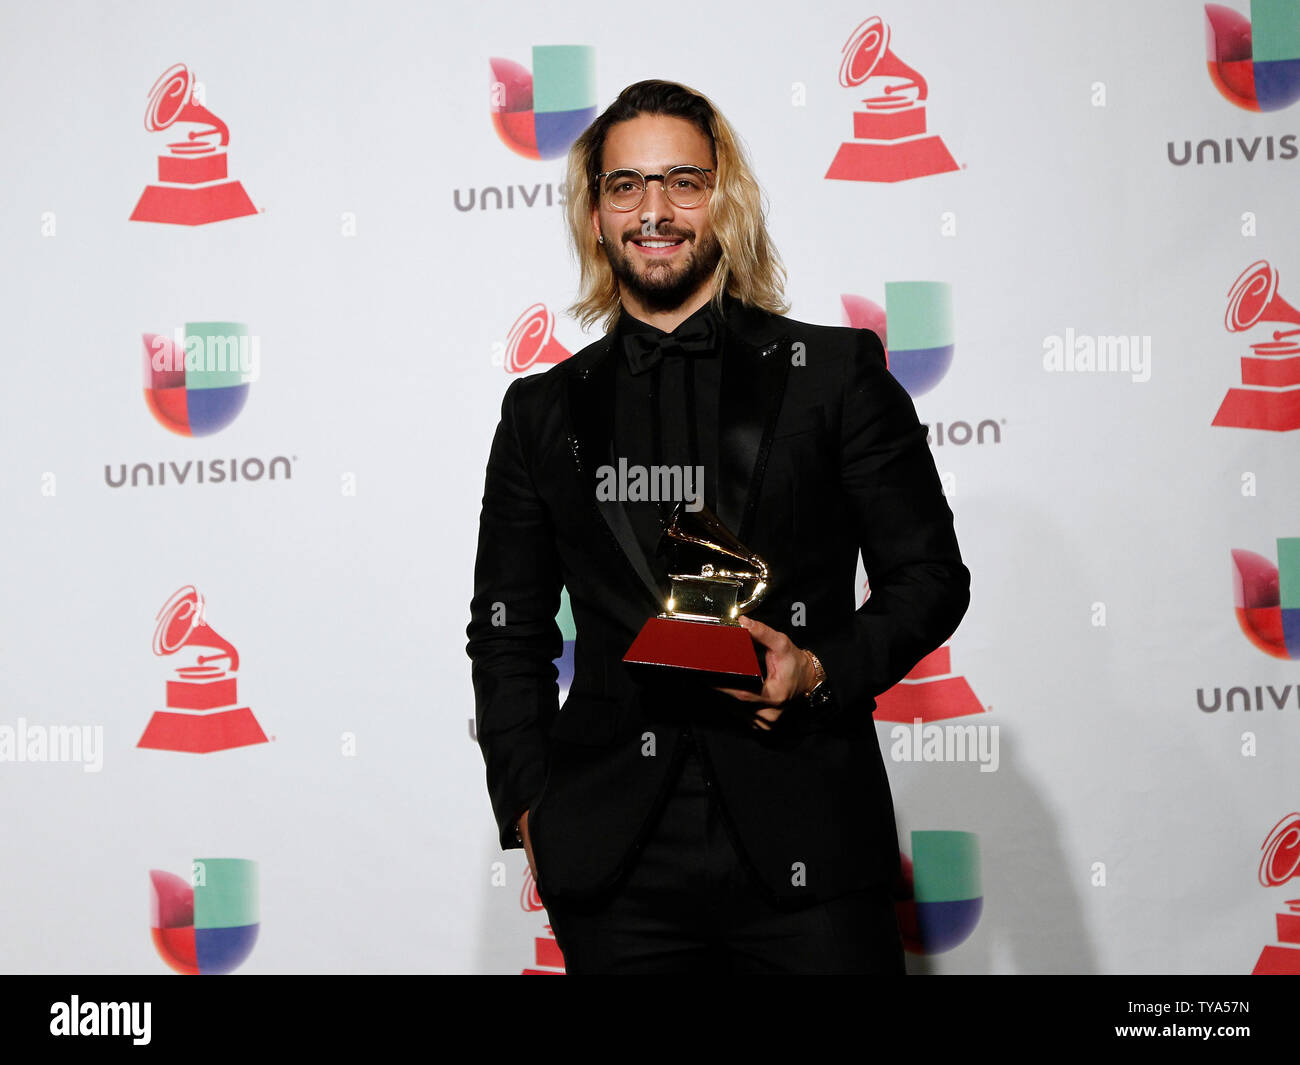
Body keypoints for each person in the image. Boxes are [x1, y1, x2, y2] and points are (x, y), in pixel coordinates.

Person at [466, 80, 969, 974]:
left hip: (807, 835)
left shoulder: (834, 375)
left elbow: (929, 576)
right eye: (625, 186)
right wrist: (530, 807)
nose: (653, 210)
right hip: (617, 866)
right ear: (594, 215)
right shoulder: (539, 412)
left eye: (682, 182)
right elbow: (506, 630)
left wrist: (819, 669)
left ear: (723, 198)